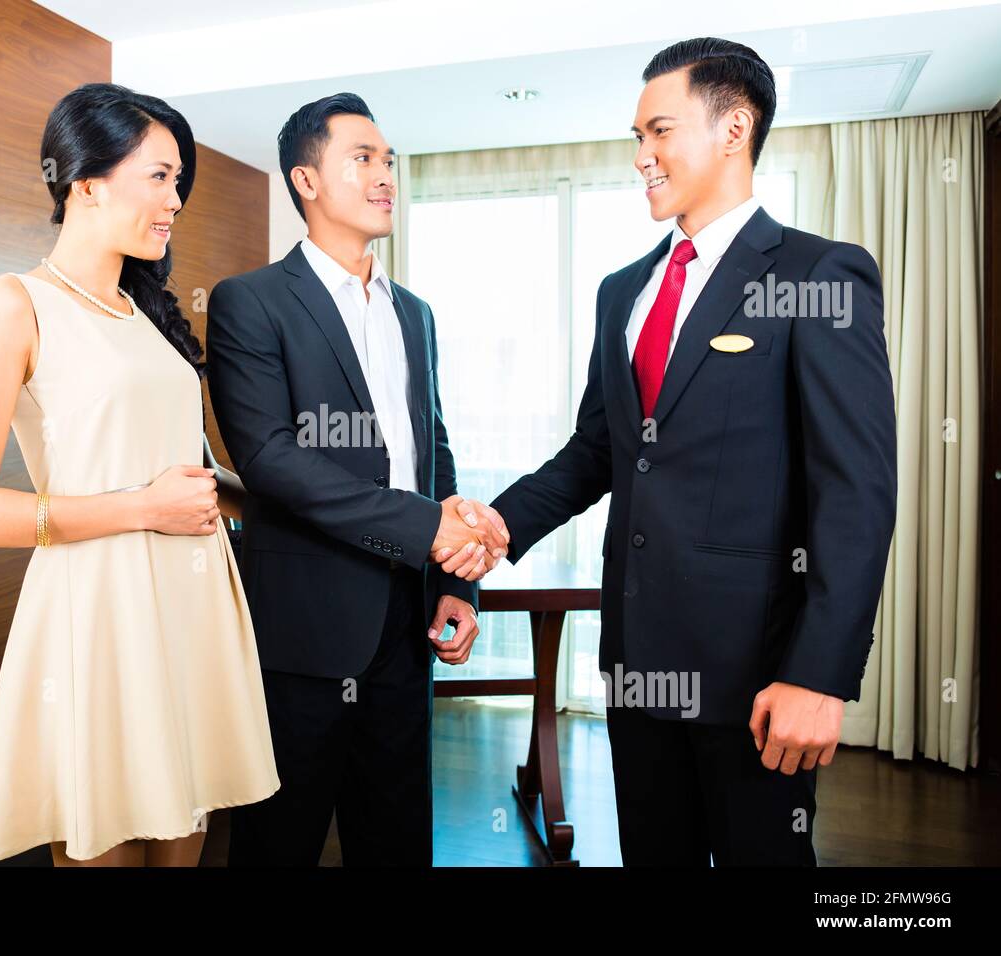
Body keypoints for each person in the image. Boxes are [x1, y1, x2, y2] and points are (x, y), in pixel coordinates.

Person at [489, 38, 897, 865]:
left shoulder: (820, 272)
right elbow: (596, 454)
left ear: (734, 127)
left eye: (658, 131)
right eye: (636, 137)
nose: (641, 156)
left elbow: (855, 490)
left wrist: (819, 675)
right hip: (638, 668)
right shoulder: (622, 292)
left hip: (757, 676)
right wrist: (489, 530)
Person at [0, 82, 279, 867]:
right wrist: (142, 508)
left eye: (178, 181)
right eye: (159, 176)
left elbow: (189, 473)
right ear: (85, 182)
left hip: (190, 612)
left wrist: (337, 509)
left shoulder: (143, 312)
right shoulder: (15, 304)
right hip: (100, 615)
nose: (176, 199)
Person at [207, 93, 509, 866]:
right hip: (304, 631)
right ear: (306, 181)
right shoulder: (251, 302)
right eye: (363, 159)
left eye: (390, 162)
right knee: (280, 844)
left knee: (399, 839)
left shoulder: (415, 312)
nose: (385, 177)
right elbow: (269, 459)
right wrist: (423, 528)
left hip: (406, 627)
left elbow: (431, 453)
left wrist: (454, 582)